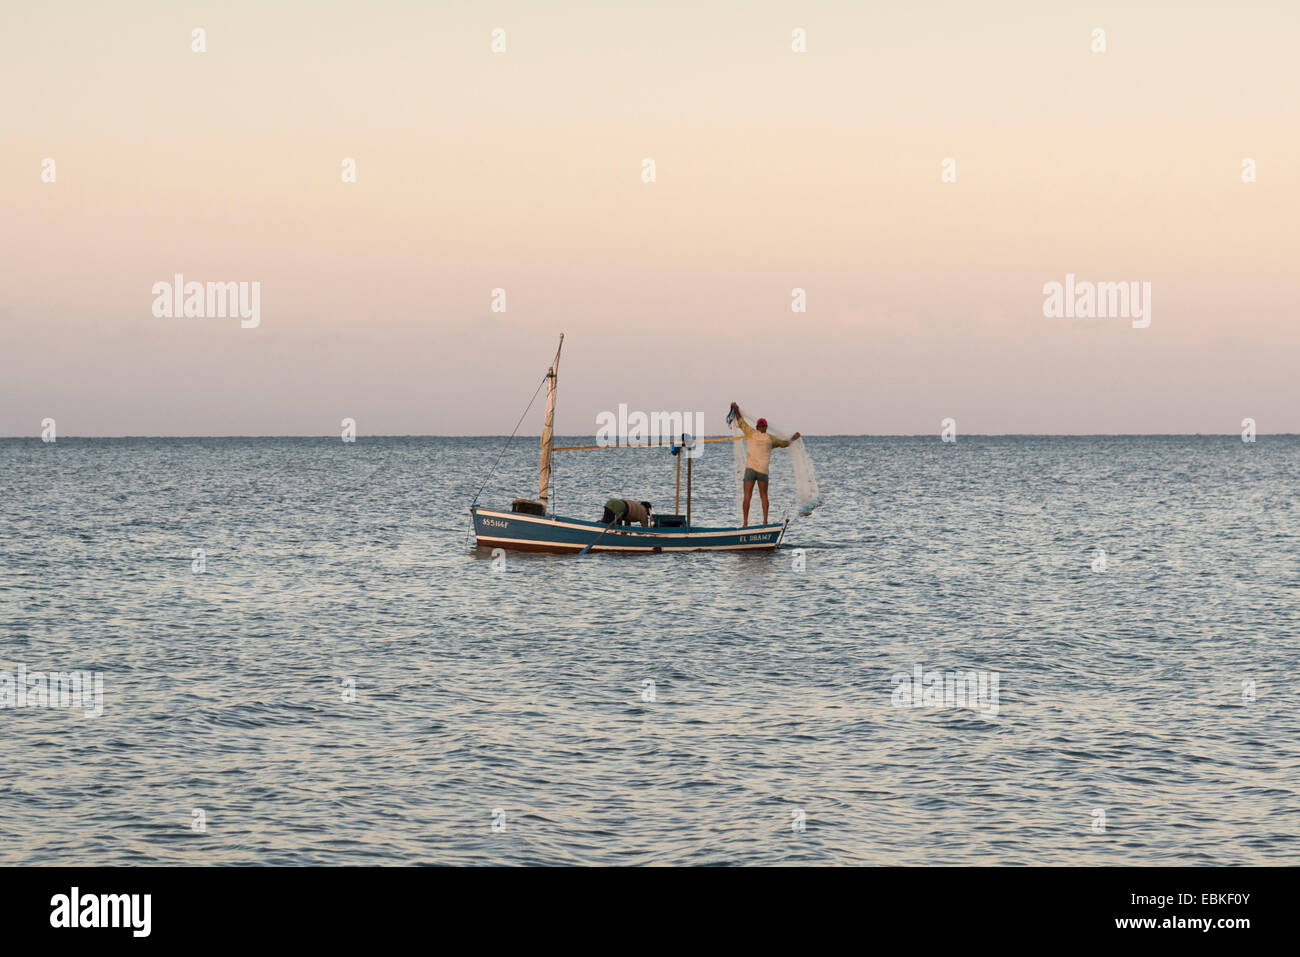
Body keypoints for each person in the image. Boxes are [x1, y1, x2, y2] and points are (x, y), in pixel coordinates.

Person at [730, 403, 800, 526]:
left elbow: (741, 422)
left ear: (757, 427)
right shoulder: (770, 439)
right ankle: (765, 522)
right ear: (765, 428)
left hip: (750, 470)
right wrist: (793, 438)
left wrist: (736, 409)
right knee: (764, 496)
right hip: (763, 471)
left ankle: (745, 523)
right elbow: (784, 444)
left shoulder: (751, 433)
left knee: (747, 496)